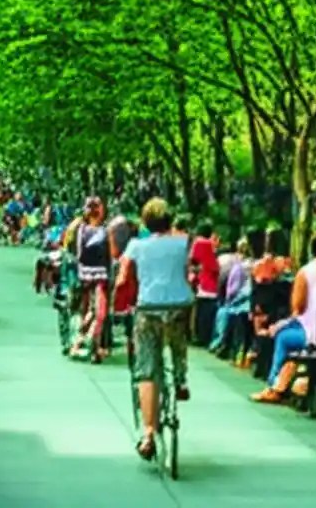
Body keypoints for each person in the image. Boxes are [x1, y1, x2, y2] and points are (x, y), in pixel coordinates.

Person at [116, 197, 193, 461]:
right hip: (179, 304)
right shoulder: (185, 242)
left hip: (148, 307)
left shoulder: (136, 245)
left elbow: (123, 278)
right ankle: (181, 378)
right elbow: (190, 271)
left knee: (147, 369)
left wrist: (121, 300)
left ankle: (148, 433)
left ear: (145, 222)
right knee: (178, 337)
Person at [252, 231, 316, 403]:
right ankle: (284, 384)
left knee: (283, 338)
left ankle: (274, 387)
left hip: (314, 336)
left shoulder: (306, 272)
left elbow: (297, 307)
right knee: (287, 328)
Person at [65, 197, 111, 362]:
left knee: (90, 311)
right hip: (99, 277)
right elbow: (110, 255)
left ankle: (83, 344)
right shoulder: (104, 230)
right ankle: (90, 344)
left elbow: (76, 254)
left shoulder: (79, 229)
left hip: (84, 275)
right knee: (99, 312)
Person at [189, 222, 222, 346]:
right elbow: (214, 266)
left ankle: (197, 335)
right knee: (207, 313)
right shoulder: (205, 244)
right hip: (209, 285)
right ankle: (204, 337)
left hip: (200, 282)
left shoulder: (196, 243)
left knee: (199, 312)